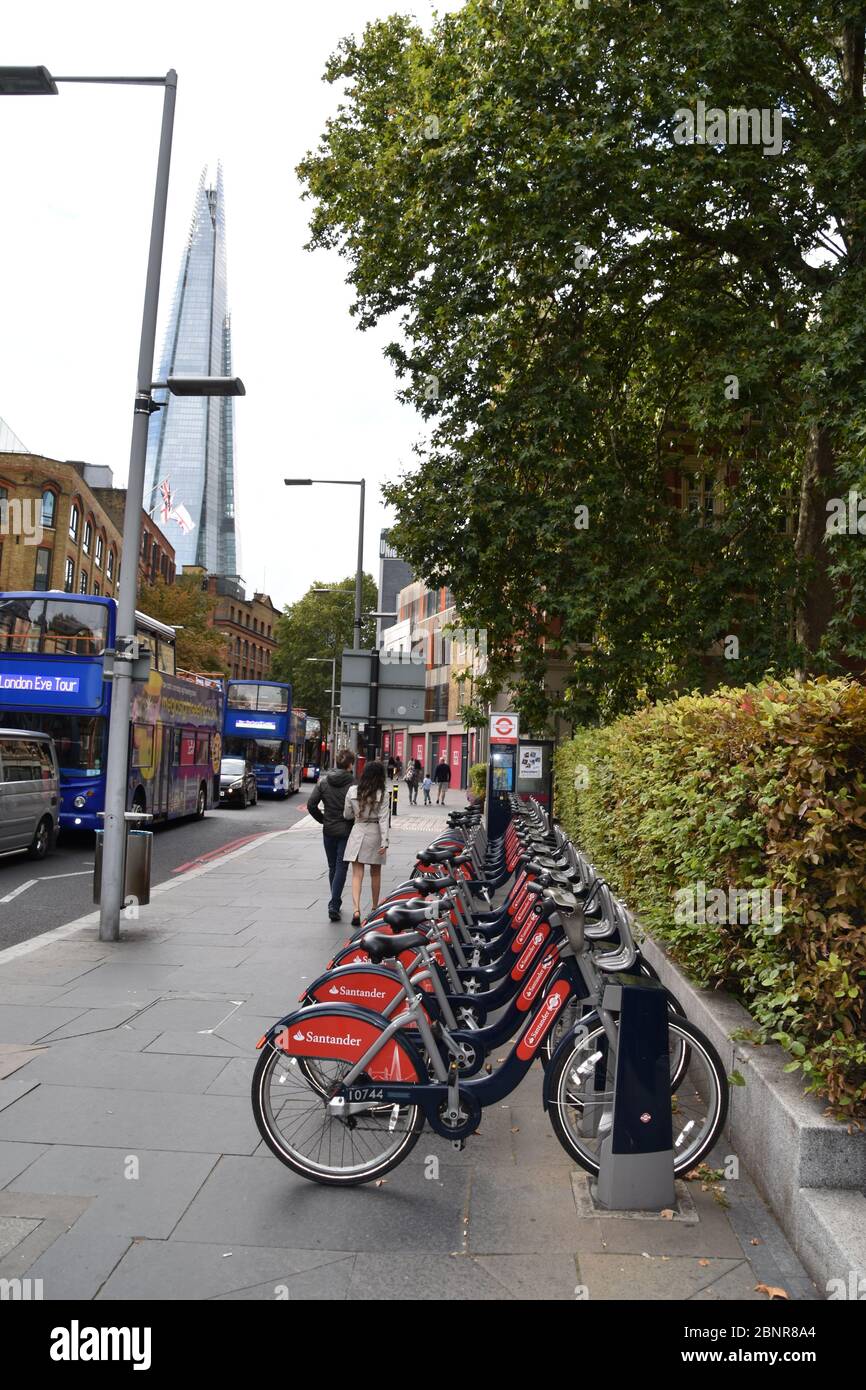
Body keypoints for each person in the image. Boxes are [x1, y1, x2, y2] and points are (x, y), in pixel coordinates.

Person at [306, 749, 355, 922]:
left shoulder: (323, 782)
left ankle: (335, 902)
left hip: (329, 830)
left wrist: (323, 820)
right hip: (347, 830)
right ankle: (334, 903)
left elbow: (311, 804)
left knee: (333, 866)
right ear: (350, 764)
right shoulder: (354, 784)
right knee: (341, 867)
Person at [343, 759, 390, 925]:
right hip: (375, 833)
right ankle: (374, 908)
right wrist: (385, 841)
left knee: (357, 874)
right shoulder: (383, 794)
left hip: (358, 831)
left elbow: (347, 815)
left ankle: (356, 910)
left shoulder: (352, 791)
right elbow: (384, 819)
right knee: (375, 873)